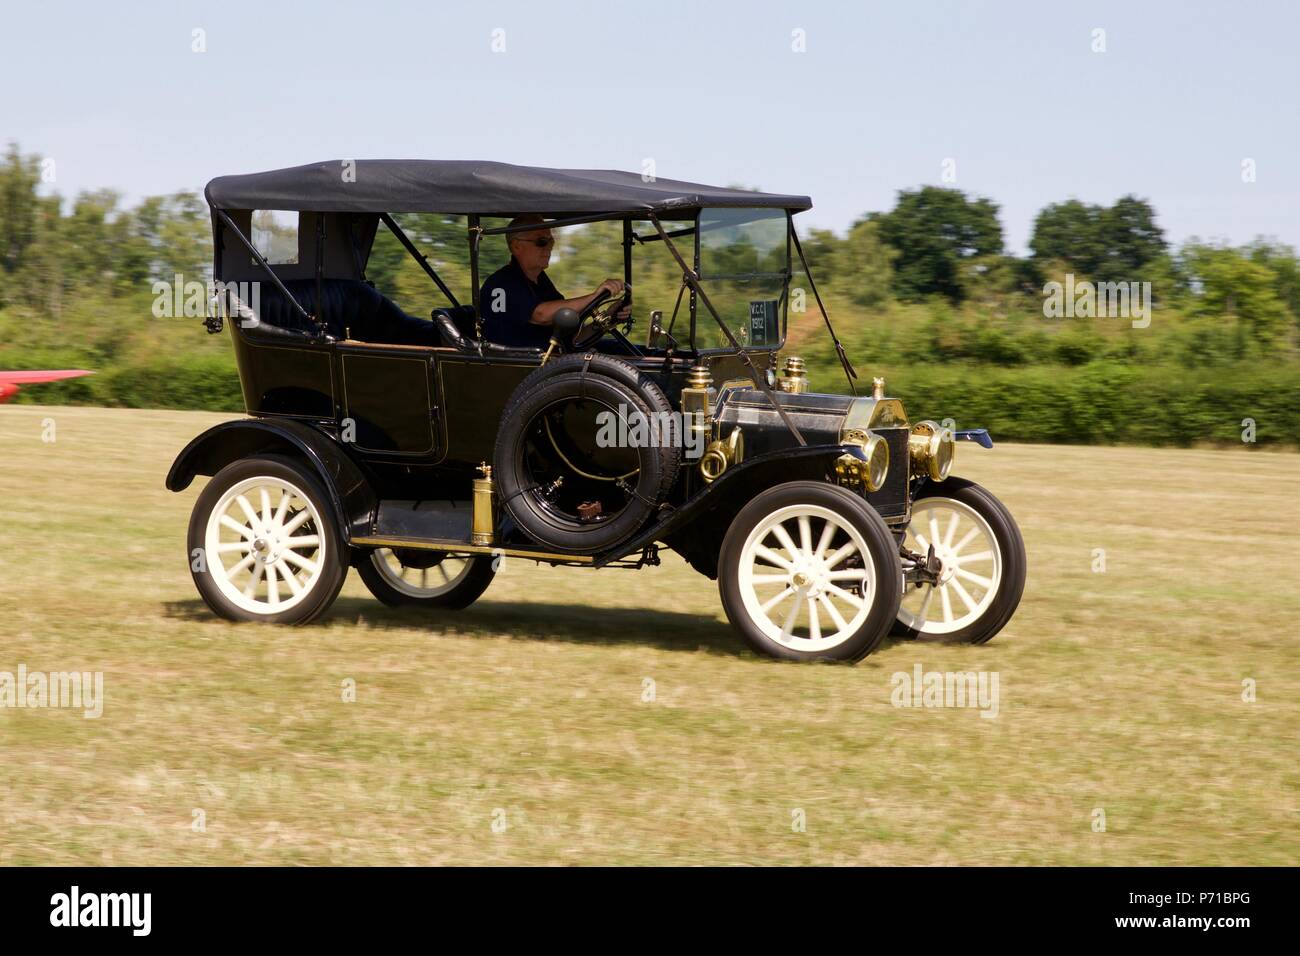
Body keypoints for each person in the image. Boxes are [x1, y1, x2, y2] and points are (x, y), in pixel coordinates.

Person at [478, 214, 627, 349]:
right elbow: (541, 315)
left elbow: (573, 340)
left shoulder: (539, 280)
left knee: (625, 351)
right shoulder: (502, 283)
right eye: (542, 242)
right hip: (520, 370)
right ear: (517, 246)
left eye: (551, 241)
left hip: (550, 364)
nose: (549, 248)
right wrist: (594, 296)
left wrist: (608, 317)